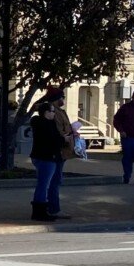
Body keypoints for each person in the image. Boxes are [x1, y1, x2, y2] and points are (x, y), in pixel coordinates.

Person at [27, 100, 65, 221]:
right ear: (46, 113)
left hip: (42, 156)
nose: (54, 114)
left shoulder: (44, 123)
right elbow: (52, 140)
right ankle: (39, 211)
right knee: (44, 185)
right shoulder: (45, 124)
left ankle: (42, 209)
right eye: (52, 111)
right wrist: (64, 140)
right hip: (46, 157)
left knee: (44, 184)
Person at [46, 88, 76, 219]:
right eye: (62, 97)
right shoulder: (54, 112)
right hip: (57, 151)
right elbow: (58, 131)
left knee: (55, 180)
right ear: (57, 99)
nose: (63, 100)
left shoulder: (59, 112)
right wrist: (67, 137)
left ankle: (51, 207)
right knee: (55, 181)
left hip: (62, 151)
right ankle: (53, 208)